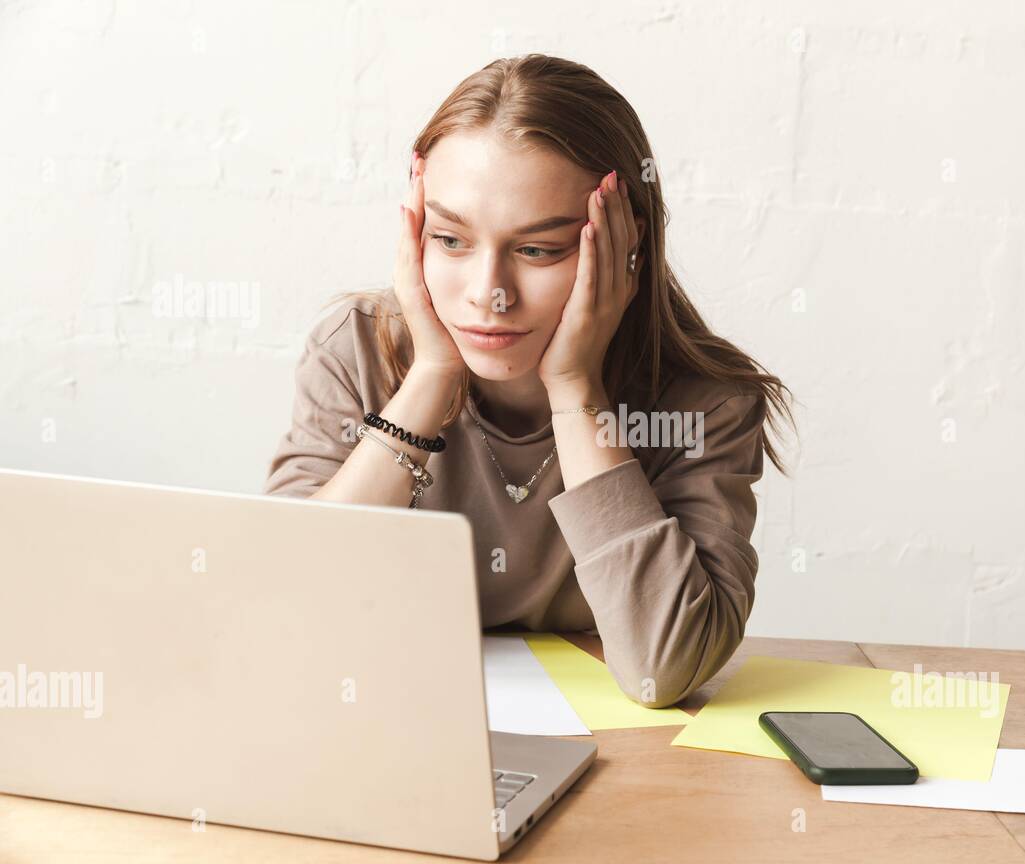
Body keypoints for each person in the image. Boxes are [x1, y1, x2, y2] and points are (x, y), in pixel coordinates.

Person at [264, 54, 796, 709]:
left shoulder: (704, 404)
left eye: (537, 250)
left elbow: (665, 667)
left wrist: (576, 393)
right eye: (452, 240)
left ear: (629, 243)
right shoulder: (355, 350)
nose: (490, 294)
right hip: (393, 722)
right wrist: (430, 380)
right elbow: (284, 608)